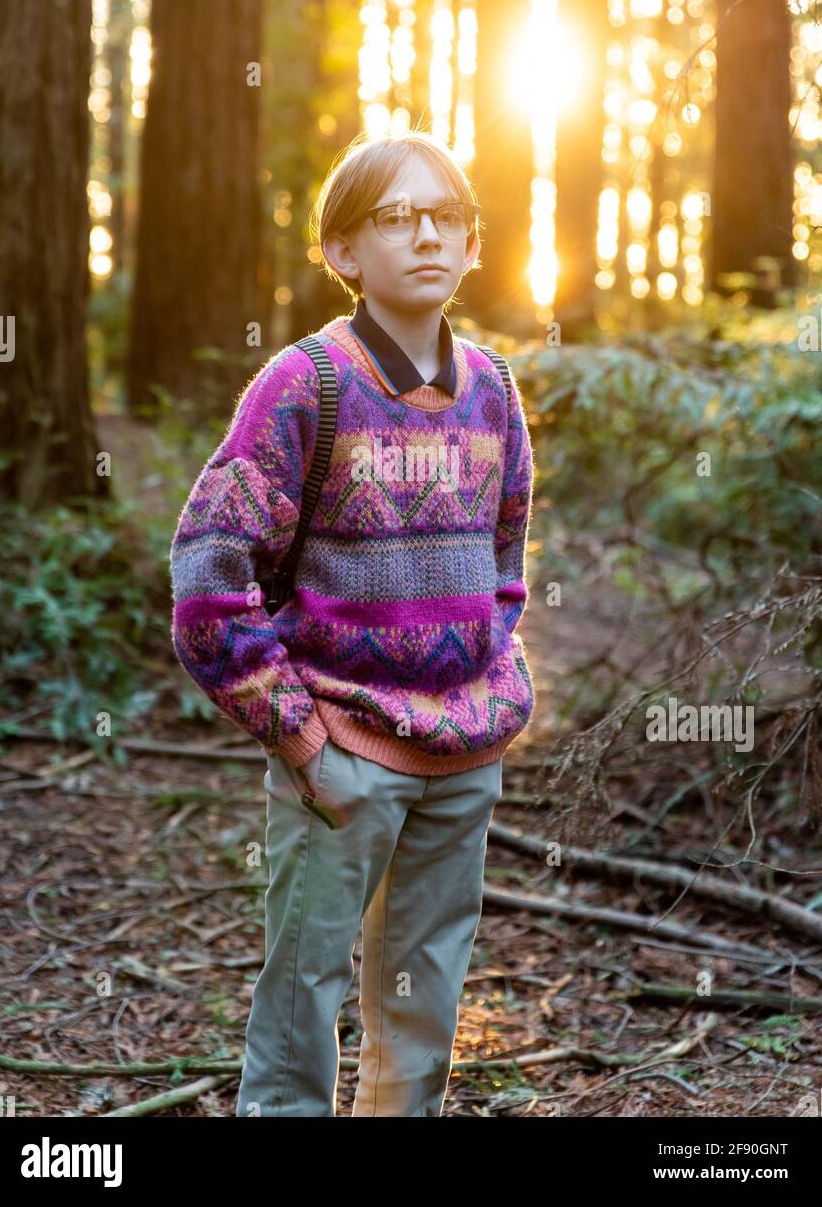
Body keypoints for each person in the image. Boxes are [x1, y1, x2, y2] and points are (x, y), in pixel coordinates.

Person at [169, 129, 536, 1117]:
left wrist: (491, 674)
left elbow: (505, 559)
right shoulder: (306, 386)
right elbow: (209, 570)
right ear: (342, 252)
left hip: (462, 760)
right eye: (395, 217)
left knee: (421, 1018)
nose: (426, 235)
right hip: (341, 759)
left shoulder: (496, 392)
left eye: (446, 217)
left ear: (471, 246)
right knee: (302, 1008)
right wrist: (296, 729)